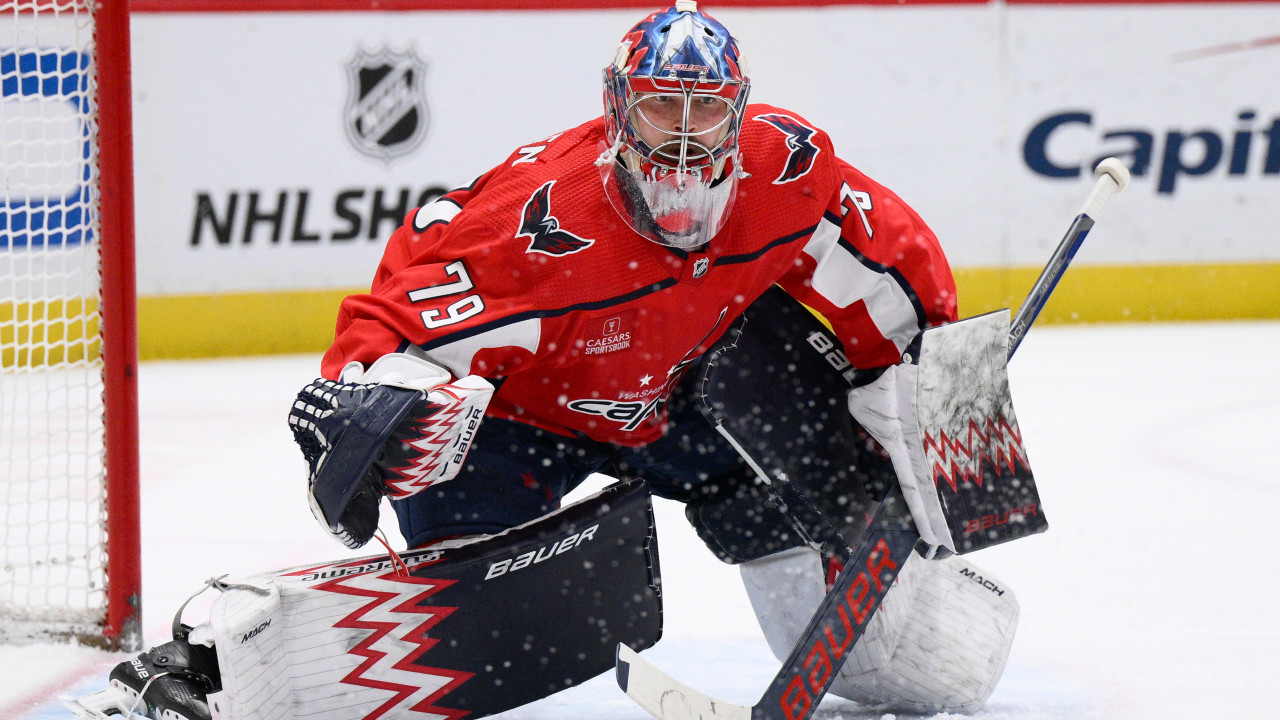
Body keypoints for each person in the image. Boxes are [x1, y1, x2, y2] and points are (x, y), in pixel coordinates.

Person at [86, 3, 1019, 719]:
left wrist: (943, 416)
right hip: (515, 426)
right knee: (472, 620)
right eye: (662, 110)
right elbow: (396, 316)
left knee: (856, 606)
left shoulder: (787, 169)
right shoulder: (533, 227)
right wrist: (359, 395)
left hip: (676, 399)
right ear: (619, 112)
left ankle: (891, 611)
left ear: (740, 114)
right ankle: (214, 665)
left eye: (707, 112)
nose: (687, 139)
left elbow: (891, 261)